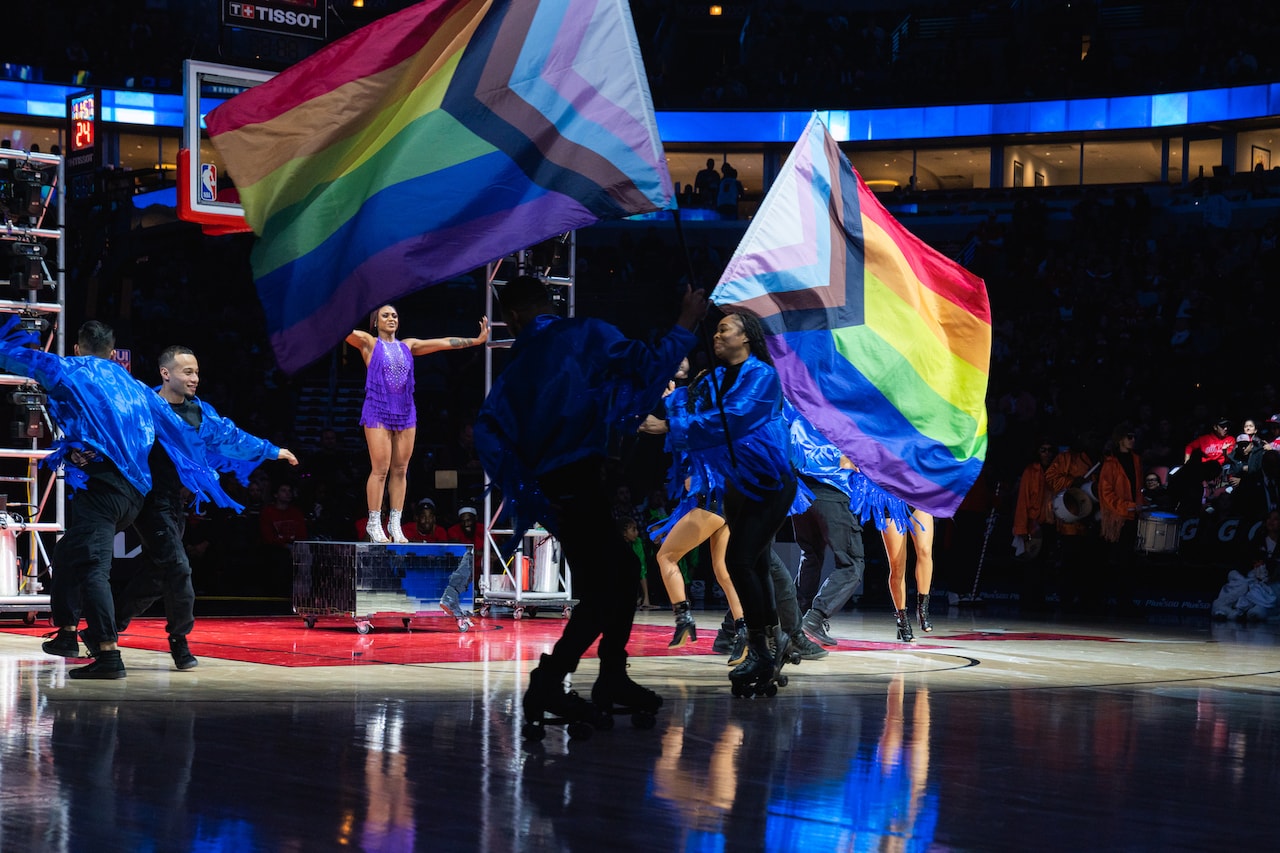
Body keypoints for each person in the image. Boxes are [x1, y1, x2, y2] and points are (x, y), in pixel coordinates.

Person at [474, 275, 706, 726]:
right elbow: (644, 365)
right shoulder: (581, 333)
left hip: (559, 487)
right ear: (549, 303)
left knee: (615, 578)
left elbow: (490, 433)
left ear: (511, 317)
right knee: (610, 586)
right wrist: (685, 322)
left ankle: (600, 677)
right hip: (584, 479)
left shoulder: (516, 367)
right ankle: (554, 682)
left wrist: (531, 491)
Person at [0, 319, 237, 679]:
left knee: (94, 568)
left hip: (104, 490)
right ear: (113, 354)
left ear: (78, 348)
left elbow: (12, 357)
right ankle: (66, 635)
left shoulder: (66, 368)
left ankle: (109, 655)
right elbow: (181, 432)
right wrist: (263, 450)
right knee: (68, 554)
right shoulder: (138, 387)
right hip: (135, 496)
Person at [114, 344, 297, 670]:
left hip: (174, 504)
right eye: (188, 371)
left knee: (158, 575)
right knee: (179, 567)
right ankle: (180, 642)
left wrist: (272, 450)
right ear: (166, 373)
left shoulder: (201, 413)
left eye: (197, 371)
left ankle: (108, 626)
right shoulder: (143, 406)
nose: (195, 378)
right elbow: (111, 428)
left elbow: (232, 437)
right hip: (147, 502)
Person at [642, 311, 798, 693]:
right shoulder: (712, 378)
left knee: (739, 560)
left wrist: (669, 426)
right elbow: (692, 403)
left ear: (746, 338)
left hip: (770, 482)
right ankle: (770, 646)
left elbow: (733, 418)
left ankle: (764, 648)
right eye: (714, 329)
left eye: (724, 329)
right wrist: (663, 399)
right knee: (754, 564)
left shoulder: (762, 376)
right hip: (739, 484)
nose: (715, 335)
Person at [346, 306, 489, 544]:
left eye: (394, 315)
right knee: (380, 469)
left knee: (400, 470)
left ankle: (395, 522)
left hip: (405, 411)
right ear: (374, 322)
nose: (391, 318)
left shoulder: (408, 345)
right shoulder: (368, 342)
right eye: (385, 315)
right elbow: (338, 331)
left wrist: (476, 341)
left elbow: (443, 342)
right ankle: (374, 522)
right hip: (378, 410)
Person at [789, 399, 910, 649]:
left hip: (801, 496)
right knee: (853, 563)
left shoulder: (800, 413)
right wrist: (841, 457)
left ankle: (796, 620)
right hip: (829, 493)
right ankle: (815, 617)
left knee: (811, 555)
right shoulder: (838, 420)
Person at [1099, 423, 1143, 610]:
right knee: (1118, 560)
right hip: (1117, 518)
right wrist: (1126, 507)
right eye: (1129, 437)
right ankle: (1118, 601)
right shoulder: (1110, 462)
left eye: (1133, 437)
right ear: (1120, 439)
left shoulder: (1136, 460)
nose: (1132, 440)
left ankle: (1125, 601)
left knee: (1129, 561)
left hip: (1133, 515)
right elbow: (1105, 492)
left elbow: (1138, 487)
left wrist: (1139, 507)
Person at [882, 508, 935, 641]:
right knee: (897, 564)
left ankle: (923, 609)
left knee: (925, 551)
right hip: (891, 500)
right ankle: (902, 619)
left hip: (917, 497)